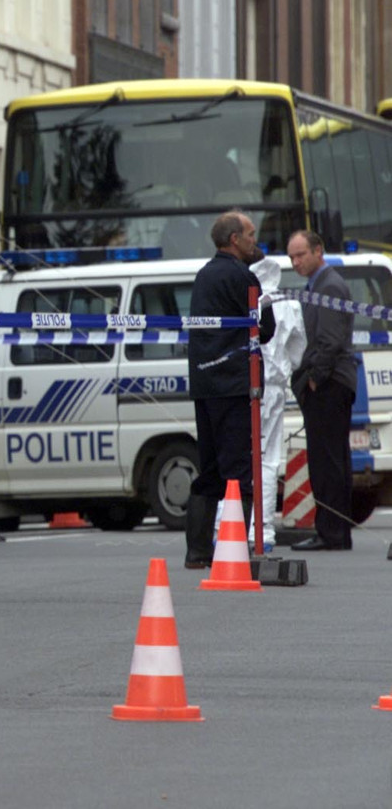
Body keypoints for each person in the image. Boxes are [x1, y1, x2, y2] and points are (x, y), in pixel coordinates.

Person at [184, 211, 275, 569]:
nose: (256, 240)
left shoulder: (204, 274)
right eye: (250, 234)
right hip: (236, 384)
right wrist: (266, 299)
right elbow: (264, 329)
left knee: (209, 469)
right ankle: (236, 550)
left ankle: (197, 552)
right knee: (240, 470)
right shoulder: (243, 276)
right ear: (234, 239)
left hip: (204, 385)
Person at [213, 255, 305, 550]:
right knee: (268, 459)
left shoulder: (241, 301)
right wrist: (285, 367)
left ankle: (224, 527)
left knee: (236, 457)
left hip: (244, 385)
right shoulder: (288, 304)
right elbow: (298, 351)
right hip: (274, 389)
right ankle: (262, 531)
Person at [286, 230, 357, 551]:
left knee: (327, 461)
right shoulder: (317, 285)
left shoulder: (329, 285)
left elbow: (330, 340)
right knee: (329, 459)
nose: (295, 262)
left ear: (319, 251)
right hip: (329, 382)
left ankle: (332, 532)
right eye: (292, 256)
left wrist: (314, 378)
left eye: (301, 254)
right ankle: (334, 531)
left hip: (329, 384)